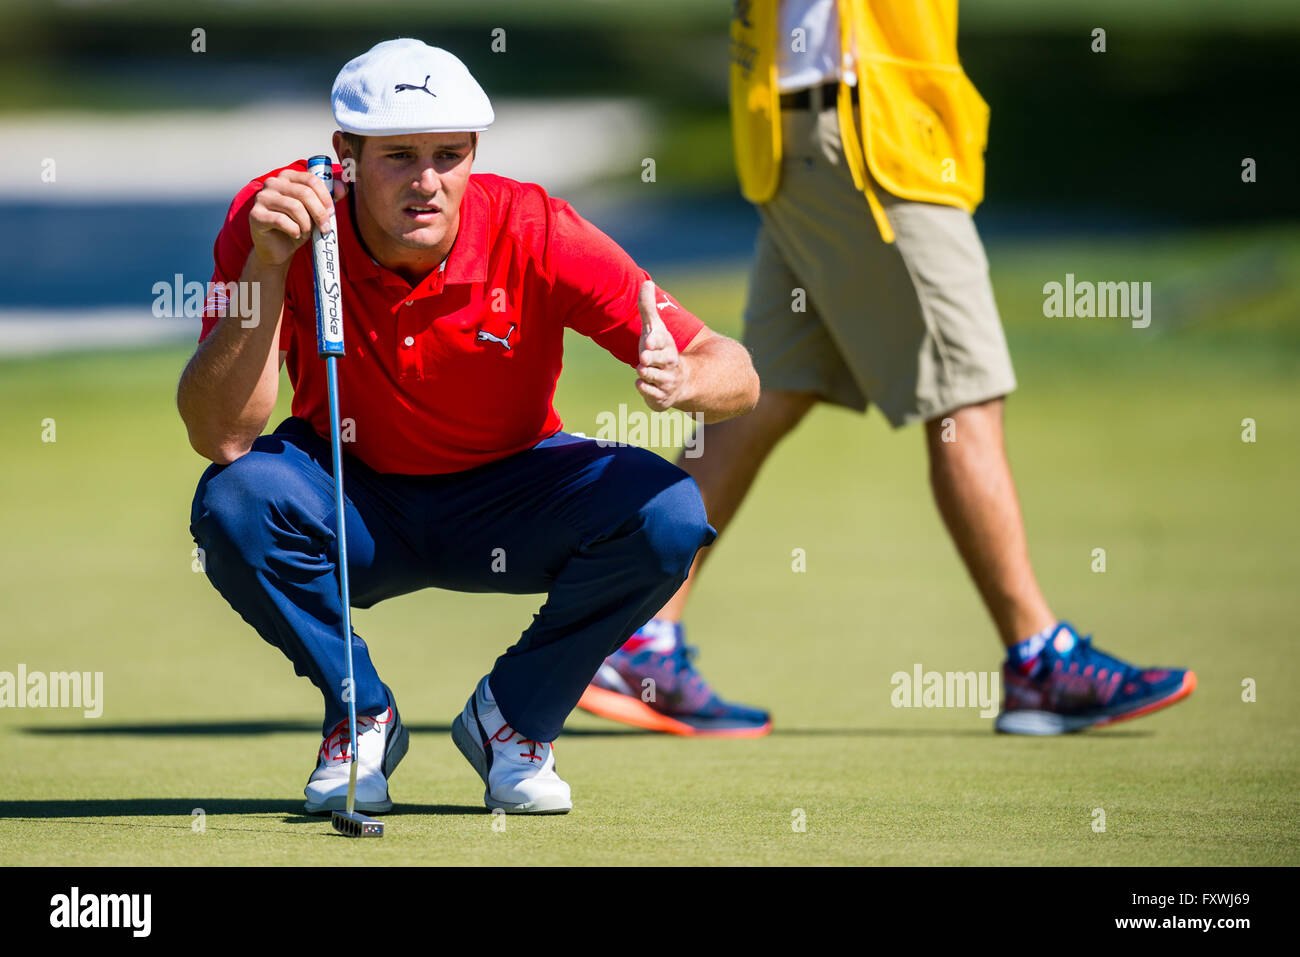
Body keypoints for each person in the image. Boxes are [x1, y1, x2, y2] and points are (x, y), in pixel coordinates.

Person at [579, 0, 1195, 736]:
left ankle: (641, 637)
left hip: (811, 132)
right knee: (965, 399)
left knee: (765, 392)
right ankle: (1039, 662)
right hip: (873, 135)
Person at [178, 38, 759, 815]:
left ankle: (512, 721)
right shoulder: (280, 216)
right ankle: (362, 716)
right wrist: (265, 267)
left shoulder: (535, 226)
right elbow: (221, 434)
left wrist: (685, 377)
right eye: (399, 156)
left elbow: (737, 372)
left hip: (513, 493)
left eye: (450, 155)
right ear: (343, 153)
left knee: (669, 513)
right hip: (352, 496)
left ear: (475, 152)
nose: (428, 183)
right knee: (234, 500)